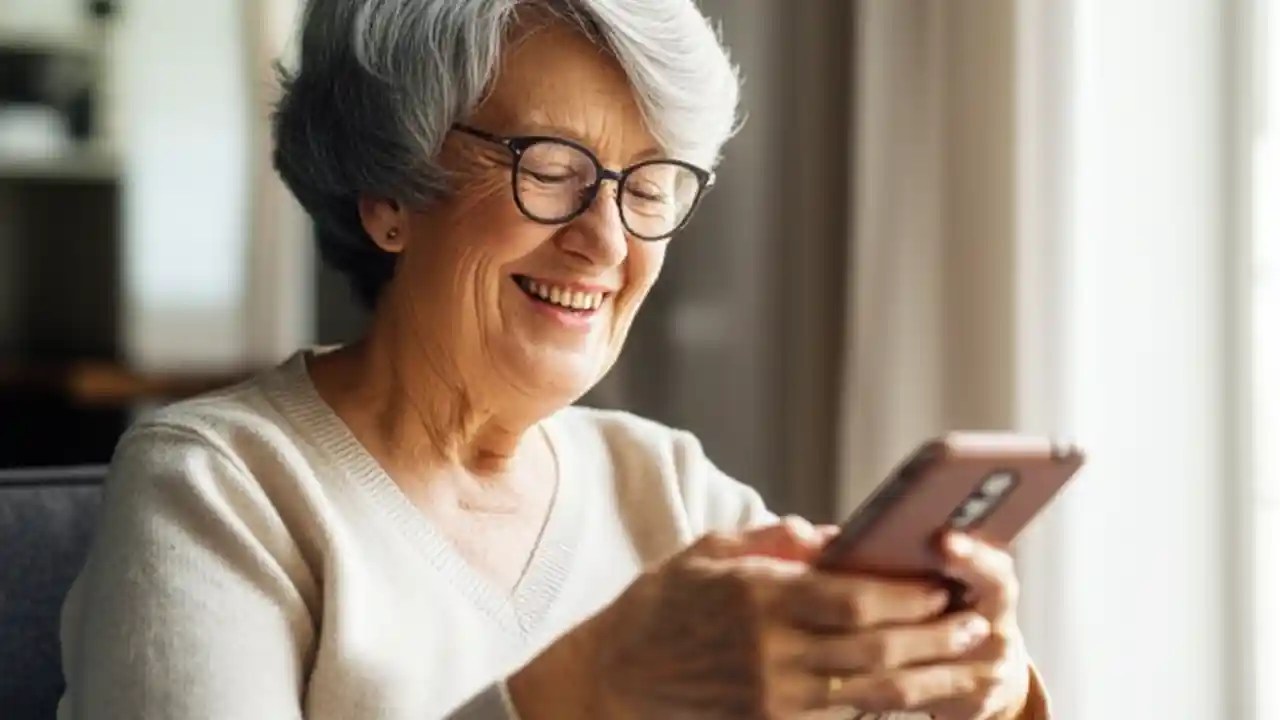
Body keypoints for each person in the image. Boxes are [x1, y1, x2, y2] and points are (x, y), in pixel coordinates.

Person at [58, 1, 1049, 718]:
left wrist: (978, 683)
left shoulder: (669, 488)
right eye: (550, 169)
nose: (608, 242)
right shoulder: (221, 485)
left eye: (646, 185)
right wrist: (587, 692)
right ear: (390, 194)